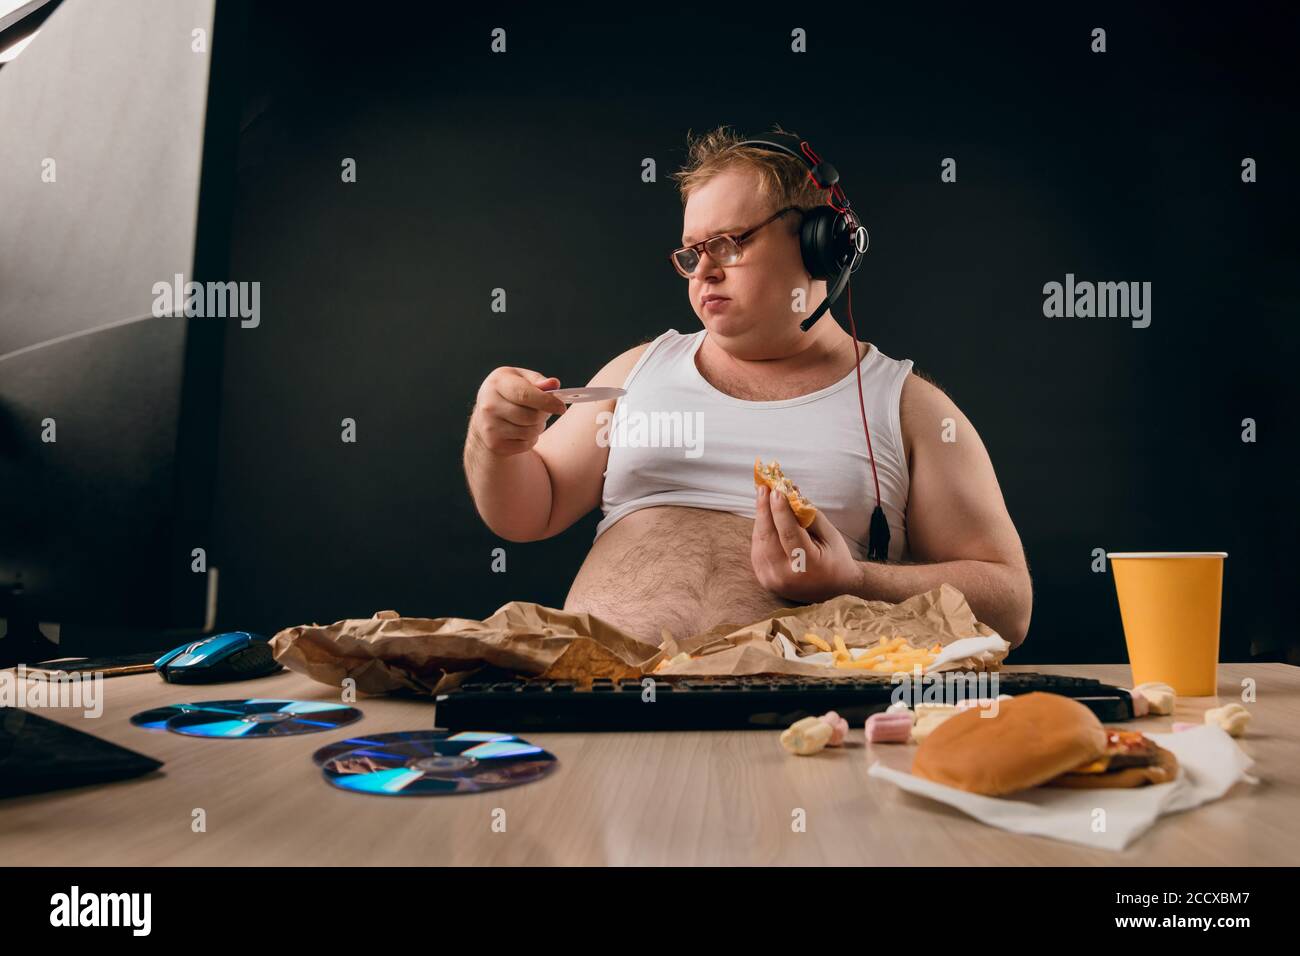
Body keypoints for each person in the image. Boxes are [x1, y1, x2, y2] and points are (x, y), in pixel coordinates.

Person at [463, 125, 1032, 648]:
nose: (705, 270)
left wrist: (855, 580)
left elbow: (1009, 606)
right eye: (693, 252)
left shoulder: (908, 409)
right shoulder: (637, 373)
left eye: (730, 243)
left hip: (799, 726)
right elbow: (524, 515)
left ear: (818, 245)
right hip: (598, 700)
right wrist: (497, 443)